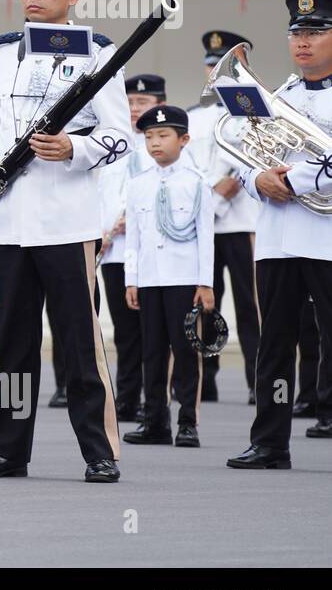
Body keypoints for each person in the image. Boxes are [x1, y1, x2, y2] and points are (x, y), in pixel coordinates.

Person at [0, 0, 130, 483]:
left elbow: (121, 137)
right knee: (13, 346)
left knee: (80, 342)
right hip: (7, 222)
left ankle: (100, 451)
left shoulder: (99, 55)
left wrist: (75, 149)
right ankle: (7, 450)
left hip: (67, 220)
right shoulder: (3, 56)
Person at [228, 0, 332, 468]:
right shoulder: (280, 96)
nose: (302, 42)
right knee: (274, 344)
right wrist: (258, 179)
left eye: (314, 32)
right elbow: (247, 154)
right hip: (277, 240)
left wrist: (296, 178)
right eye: (296, 33)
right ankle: (270, 442)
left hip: (326, 237)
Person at [123, 105, 215, 447]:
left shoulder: (196, 183)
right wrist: (131, 278)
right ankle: (154, 421)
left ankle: (187, 422)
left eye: (163, 136)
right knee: (152, 352)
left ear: (184, 139)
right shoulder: (138, 184)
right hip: (149, 278)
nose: (155, 144)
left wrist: (205, 282)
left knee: (186, 351)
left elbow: (206, 234)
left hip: (183, 278)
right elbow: (133, 234)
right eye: (148, 137)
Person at [187, 30, 260, 404]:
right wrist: (212, 193)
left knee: (250, 305)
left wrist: (226, 185)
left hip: (241, 222)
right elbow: (189, 165)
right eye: (211, 65)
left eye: (225, 63)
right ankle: (206, 381)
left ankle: (256, 381)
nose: (216, 70)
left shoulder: (257, 112)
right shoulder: (194, 118)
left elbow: (256, 159)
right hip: (205, 222)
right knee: (202, 302)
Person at [97, 75, 161, 424]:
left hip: (147, 252)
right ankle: (126, 395)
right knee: (124, 331)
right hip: (113, 252)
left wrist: (127, 219)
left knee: (151, 331)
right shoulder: (114, 145)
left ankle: (155, 402)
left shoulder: (157, 148)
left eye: (143, 103)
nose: (135, 110)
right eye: (131, 103)